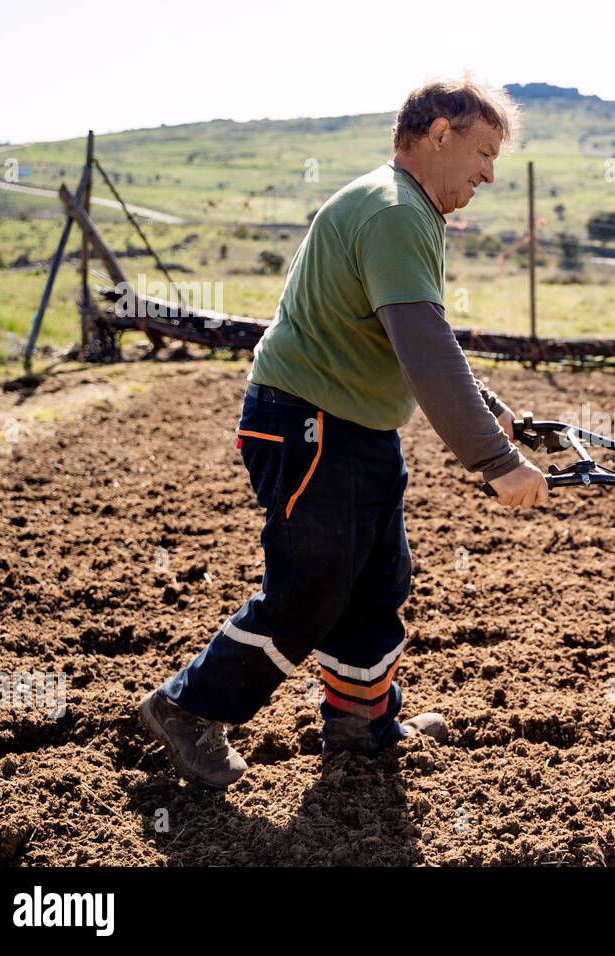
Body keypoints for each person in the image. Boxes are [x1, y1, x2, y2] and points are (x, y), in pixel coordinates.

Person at [139, 76, 550, 789]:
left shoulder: (403, 211)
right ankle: (187, 707)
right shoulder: (394, 210)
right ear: (440, 133)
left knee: (374, 583)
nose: (489, 173)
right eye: (484, 152)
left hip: (354, 426)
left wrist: (484, 404)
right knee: (311, 588)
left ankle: (361, 726)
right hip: (308, 422)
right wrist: (495, 457)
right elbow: (420, 341)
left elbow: (403, 332)